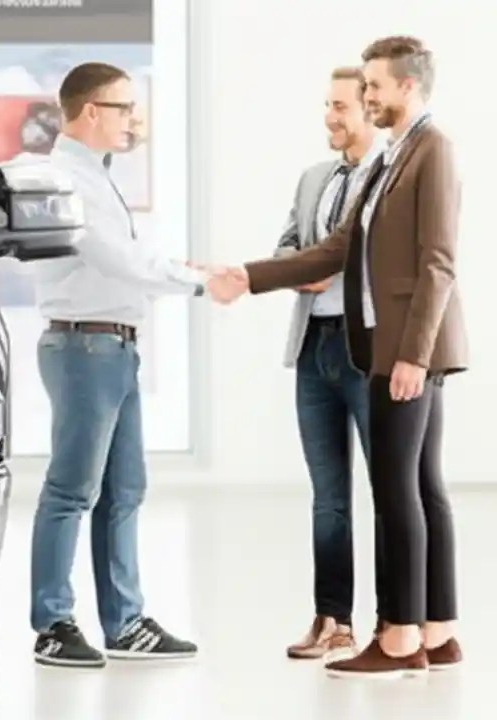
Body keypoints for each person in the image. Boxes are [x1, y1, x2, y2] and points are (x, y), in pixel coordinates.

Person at [210, 35, 466, 677]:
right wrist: (246, 274)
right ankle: (439, 631)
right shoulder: (391, 159)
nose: (368, 96)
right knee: (422, 487)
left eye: (375, 87)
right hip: (387, 343)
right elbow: (336, 250)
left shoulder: (432, 149)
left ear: (407, 86)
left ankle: (400, 637)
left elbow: (438, 262)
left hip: (403, 348)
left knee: (397, 490)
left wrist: (411, 354)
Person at [28, 61, 209, 668]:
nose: (134, 119)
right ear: (88, 113)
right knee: (71, 489)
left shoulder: (96, 178)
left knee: (124, 488)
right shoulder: (63, 178)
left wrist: (188, 272)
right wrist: (199, 284)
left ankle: (125, 622)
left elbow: (135, 253)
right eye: (124, 107)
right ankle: (53, 623)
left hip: (114, 346)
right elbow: (115, 261)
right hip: (84, 348)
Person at [278, 66, 384, 661]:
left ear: (370, 108)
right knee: (328, 498)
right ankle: (332, 618)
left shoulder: (389, 177)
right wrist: (299, 267)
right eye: (326, 105)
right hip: (313, 348)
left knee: (386, 490)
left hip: (364, 350)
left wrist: (337, 268)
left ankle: (393, 622)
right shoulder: (314, 177)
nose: (330, 116)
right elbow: (286, 244)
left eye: (341, 106)